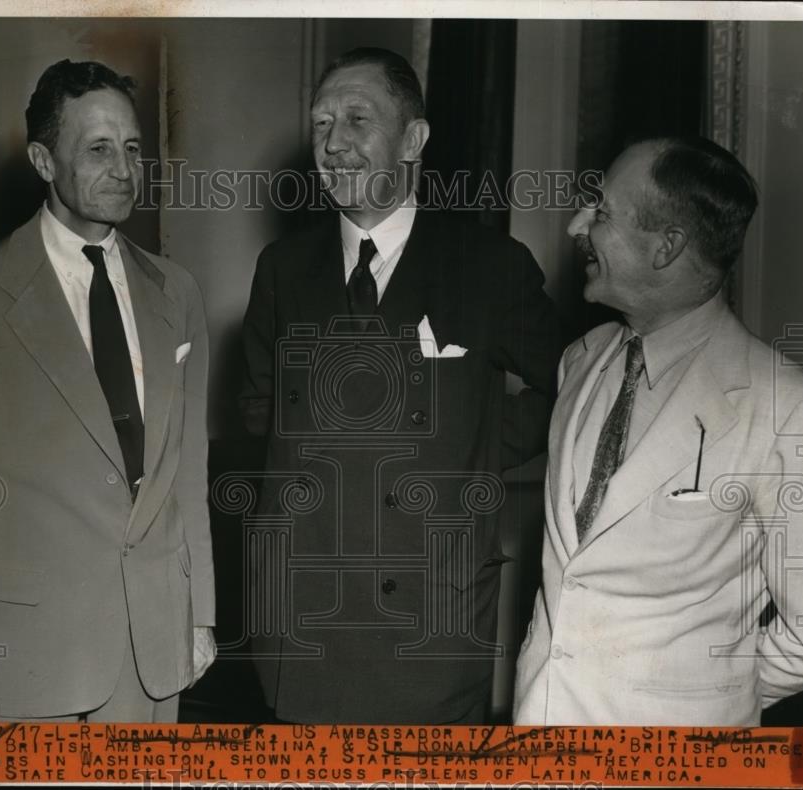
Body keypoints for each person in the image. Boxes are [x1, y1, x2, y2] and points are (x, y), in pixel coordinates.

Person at [239, 47, 561, 724]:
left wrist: (471, 450)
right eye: (322, 123)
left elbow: (568, 388)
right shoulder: (282, 269)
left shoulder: (491, 266)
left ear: (413, 138)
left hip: (430, 630)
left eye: (357, 119)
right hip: (302, 632)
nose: (333, 143)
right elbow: (260, 412)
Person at [0, 59, 216, 723]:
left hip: (152, 653)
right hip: (29, 657)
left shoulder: (176, 292)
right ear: (44, 161)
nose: (124, 169)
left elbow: (186, 473)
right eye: (98, 149)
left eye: (133, 148)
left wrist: (199, 615)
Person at [513, 137, 803, 725]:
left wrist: (708, 687)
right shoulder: (580, 359)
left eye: (601, 212)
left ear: (667, 247)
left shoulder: (788, 408)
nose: (575, 226)